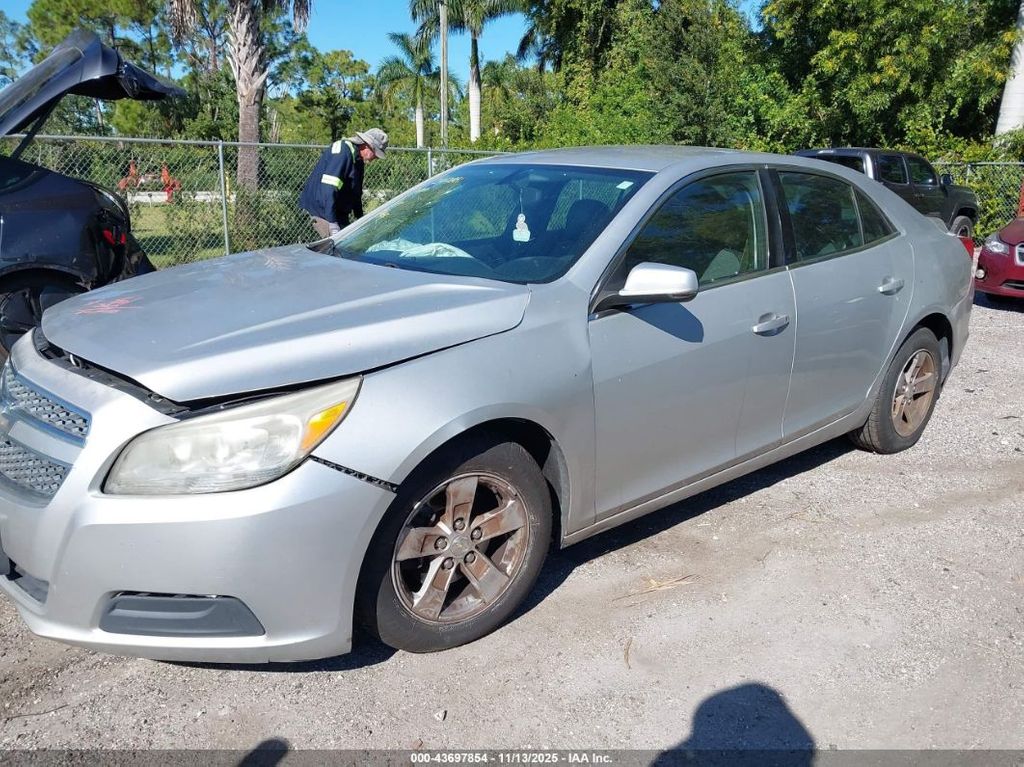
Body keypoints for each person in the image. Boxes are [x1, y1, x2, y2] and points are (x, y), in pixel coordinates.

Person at [299, 127, 389, 238]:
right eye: (375, 153)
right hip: (322, 212)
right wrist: (332, 222)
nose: (376, 157)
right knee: (334, 249)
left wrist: (360, 218)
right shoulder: (342, 152)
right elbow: (329, 188)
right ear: (367, 145)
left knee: (351, 244)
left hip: (338, 212)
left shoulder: (358, 160)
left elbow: (356, 192)